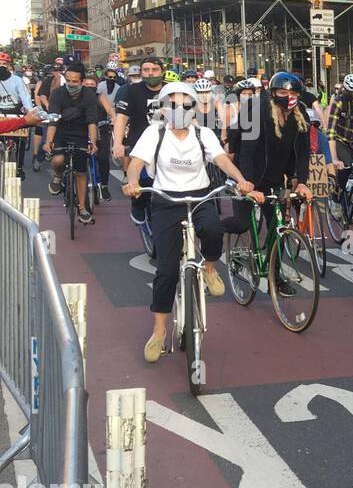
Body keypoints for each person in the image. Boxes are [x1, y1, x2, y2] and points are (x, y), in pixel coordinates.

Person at [124, 83, 257, 362]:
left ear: (194, 107)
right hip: (165, 201)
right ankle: (159, 330)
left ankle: (209, 270)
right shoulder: (154, 132)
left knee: (212, 228)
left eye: (186, 105)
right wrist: (133, 181)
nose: (180, 111)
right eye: (173, 105)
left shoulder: (203, 133)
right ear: (163, 108)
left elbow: (221, 160)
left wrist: (241, 180)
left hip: (200, 196)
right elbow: (136, 163)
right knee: (167, 270)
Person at [222, 71, 314, 295]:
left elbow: (303, 153)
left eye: (293, 93)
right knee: (243, 223)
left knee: (279, 225)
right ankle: (215, 231)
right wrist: (246, 182)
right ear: (273, 93)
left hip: (275, 176)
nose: (288, 96)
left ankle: (275, 274)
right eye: (283, 92)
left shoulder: (301, 114)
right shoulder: (259, 110)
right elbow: (247, 150)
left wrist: (301, 182)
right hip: (249, 174)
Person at [113, 56, 170, 226]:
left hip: (169, 144)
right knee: (143, 180)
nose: (150, 73)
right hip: (140, 145)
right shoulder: (132, 90)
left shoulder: (172, 89)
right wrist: (117, 143)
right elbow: (121, 118)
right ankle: (137, 205)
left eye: (154, 70)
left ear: (163, 71)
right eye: (146, 70)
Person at [44, 63, 101, 223]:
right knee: (58, 160)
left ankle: (82, 208)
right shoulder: (57, 94)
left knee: (81, 172)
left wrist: (93, 142)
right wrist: (48, 141)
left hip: (81, 134)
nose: (70, 84)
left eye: (74, 81)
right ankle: (57, 175)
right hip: (60, 133)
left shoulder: (89, 96)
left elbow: (91, 121)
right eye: (68, 80)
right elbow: (53, 120)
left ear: (82, 82)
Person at [0, 52, 39, 176]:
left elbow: (25, 97)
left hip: (14, 112)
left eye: (4, 64)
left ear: (9, 66)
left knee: (21, 139)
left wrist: (31, 112)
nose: (2, 66)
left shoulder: (17, 80)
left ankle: (19, 166)